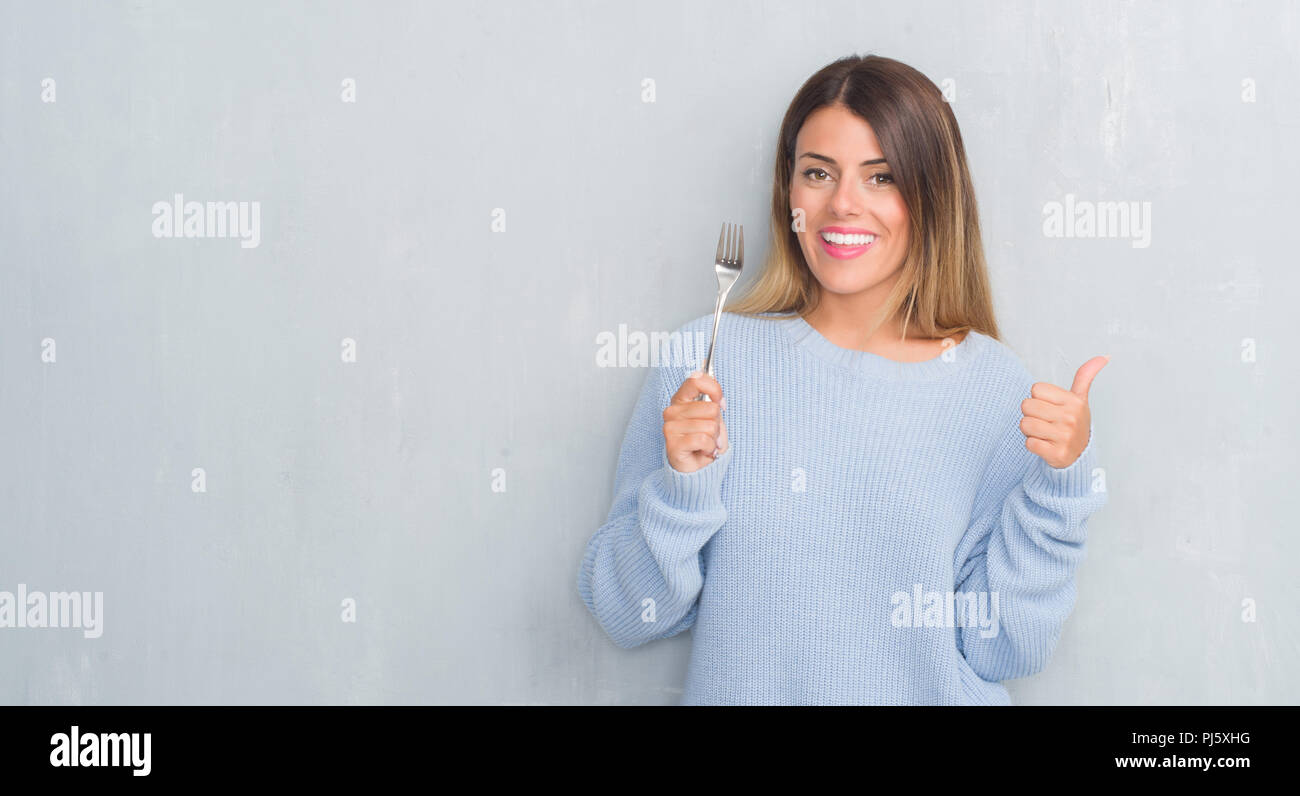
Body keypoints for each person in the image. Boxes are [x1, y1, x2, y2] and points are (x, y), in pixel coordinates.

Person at [576, 54, 1109, 705]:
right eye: (817, 173)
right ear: (788, 194)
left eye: (880, 177)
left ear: (931, 197)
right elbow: (628, 615)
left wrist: (1061, 488)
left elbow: (1002, 649)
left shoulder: (994, 391)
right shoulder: (708, 359)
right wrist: (683, 491)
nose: (842, 205)